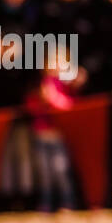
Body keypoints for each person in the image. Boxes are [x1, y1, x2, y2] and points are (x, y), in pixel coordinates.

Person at [24, 53, 83, 211]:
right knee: (44, 172)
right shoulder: (38, 85)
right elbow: (30, 108)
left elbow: (69, 106)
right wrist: (40, 99)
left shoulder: (66, 85)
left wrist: (52, 99)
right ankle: (46, 203)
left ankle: (68, 202)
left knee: (60, 170)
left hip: (58, 135)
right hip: (41, 133)